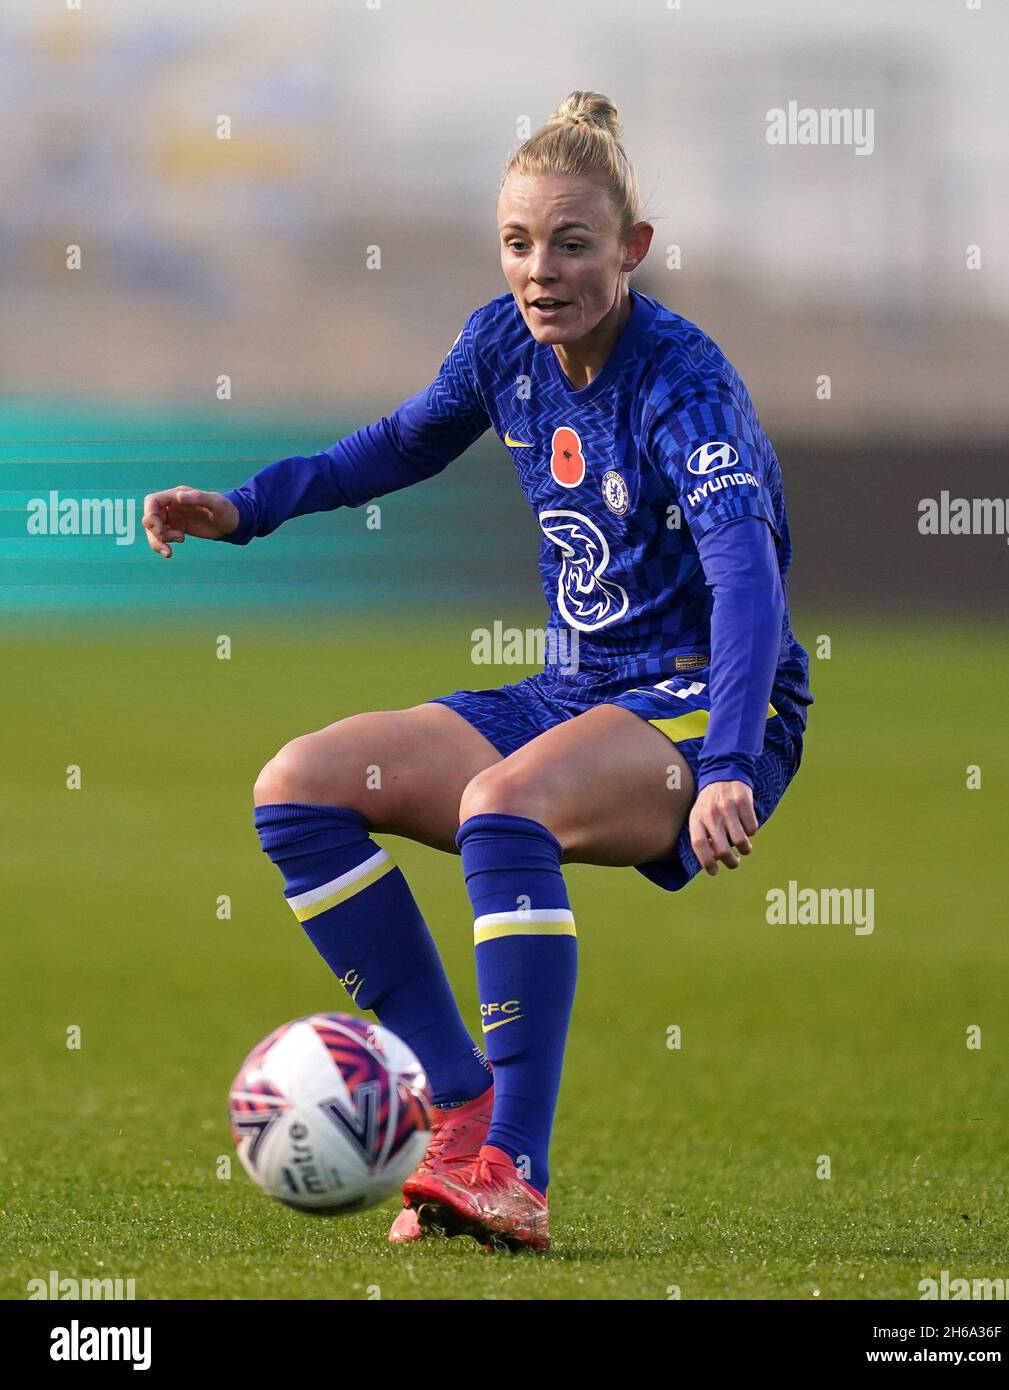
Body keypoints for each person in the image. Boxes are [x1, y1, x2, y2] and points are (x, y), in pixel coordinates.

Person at [142, 90, 813, 1252]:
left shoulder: (684, 383)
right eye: (516, 243)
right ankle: (456, 1110)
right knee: (299, 787)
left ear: (632, 251)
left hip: (706, 695)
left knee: (501, 808)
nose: (539, 270)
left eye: (571, 243)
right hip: (578, 683)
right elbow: (400, 442)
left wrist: (730, 765)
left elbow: (748, 586)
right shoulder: (502, 341)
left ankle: (516, 1167)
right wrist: (247, 509)